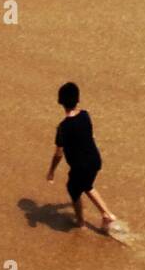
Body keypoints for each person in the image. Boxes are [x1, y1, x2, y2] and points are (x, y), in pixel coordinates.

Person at [46, 82, 116, 228]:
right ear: (78, 99)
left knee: (73, 188)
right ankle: (106, 214)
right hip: (95, 160)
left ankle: (80, 222)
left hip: (80, 166)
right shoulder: (85, 115)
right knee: (86, 185)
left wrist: (51, 171)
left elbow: (58, 153)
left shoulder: (63, 127)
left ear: (60, 102)